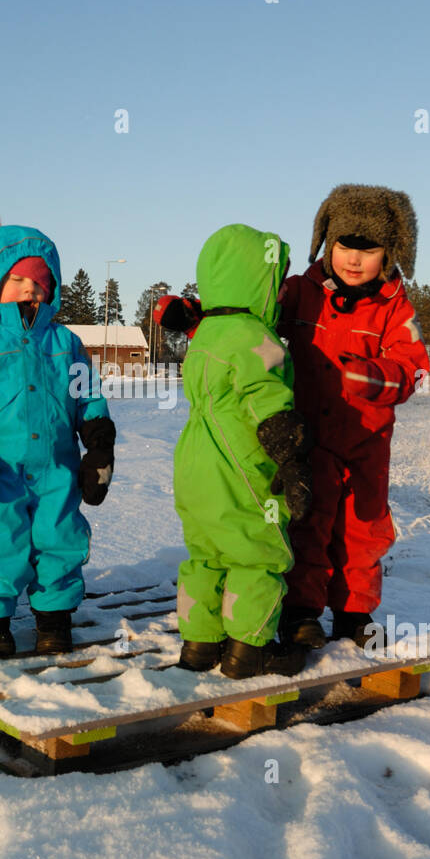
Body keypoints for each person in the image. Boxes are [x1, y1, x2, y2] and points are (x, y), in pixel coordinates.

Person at [0, 225, 115, 659]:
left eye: (40, 282)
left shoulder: (66, 344)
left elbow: (88, 396)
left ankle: (53, 620)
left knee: (61, 540)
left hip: (57, 470)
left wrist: (99, 445)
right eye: (18, 280)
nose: (29, 290)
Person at [276, 184, 430, 650]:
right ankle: (301, 610)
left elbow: (413, 367)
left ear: (390, 252)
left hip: (365, 441)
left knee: (363, 528)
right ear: (326, 242)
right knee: (307, 520)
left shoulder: (394, 307)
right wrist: (200, 317)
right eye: (345, 244)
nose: (355, 258)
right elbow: (246, 322)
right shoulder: (300, 292)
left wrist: (373, 377)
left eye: (369, 248)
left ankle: (354, 613)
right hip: (307, 437)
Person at [172, 224, 312, 680]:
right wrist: (290, 456)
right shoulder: (254, 336)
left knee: (206, 554)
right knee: (259, 552)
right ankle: (248, 652)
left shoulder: (207, 333)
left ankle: (199, 645)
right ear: (258, 280)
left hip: (195, 465)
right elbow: (264, 397)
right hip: (239, 464)